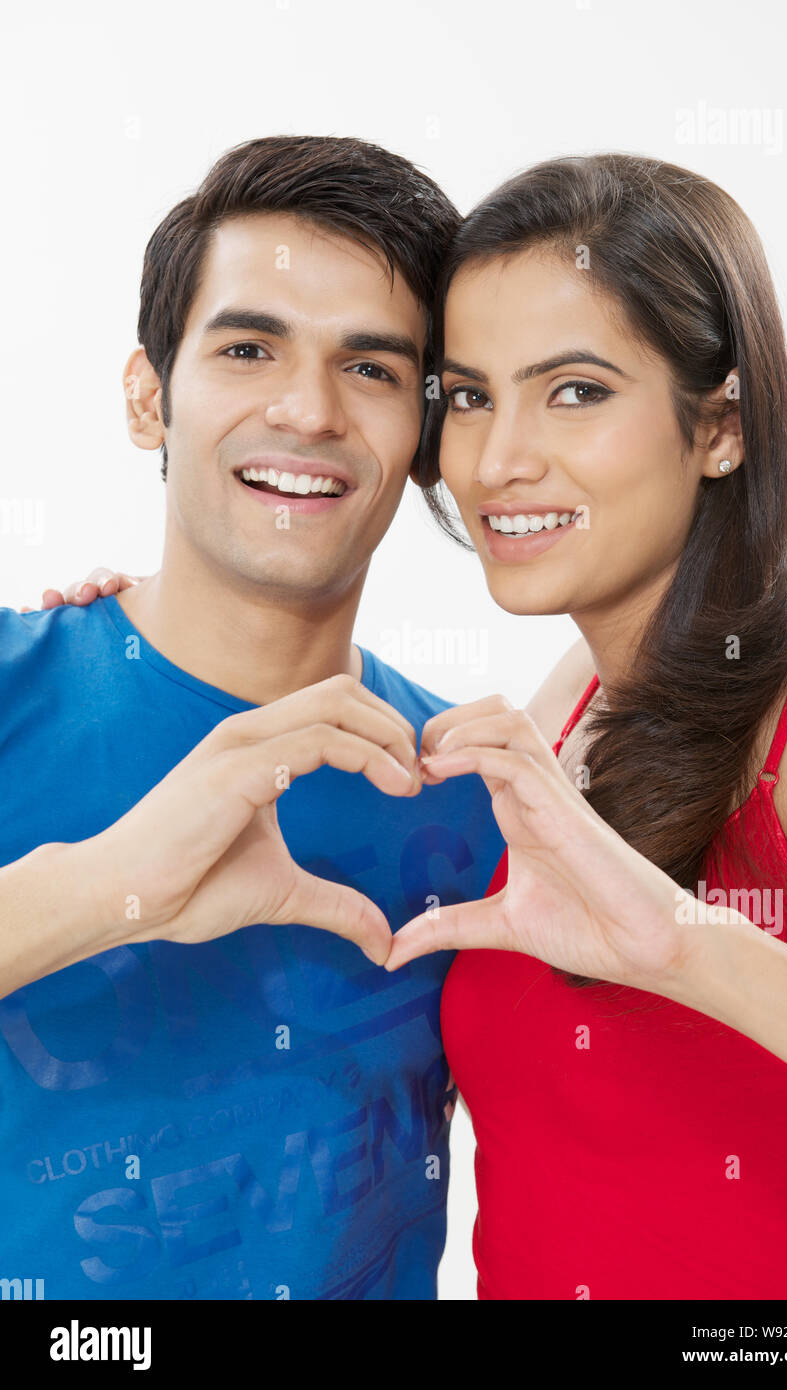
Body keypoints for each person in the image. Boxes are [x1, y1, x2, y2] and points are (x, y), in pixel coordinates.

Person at [0, 134, 505, 1301]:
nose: (309, 410)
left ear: (424, 439)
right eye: (247, 347)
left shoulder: (479, 802)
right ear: (147, 397)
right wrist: (111, 885)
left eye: (373, 369)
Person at [382, 153, 787, 1300]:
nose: (498, 461)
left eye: (577, 390)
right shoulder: (566, 710)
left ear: (723, 429)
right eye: (470, 395)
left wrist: (690, 948)